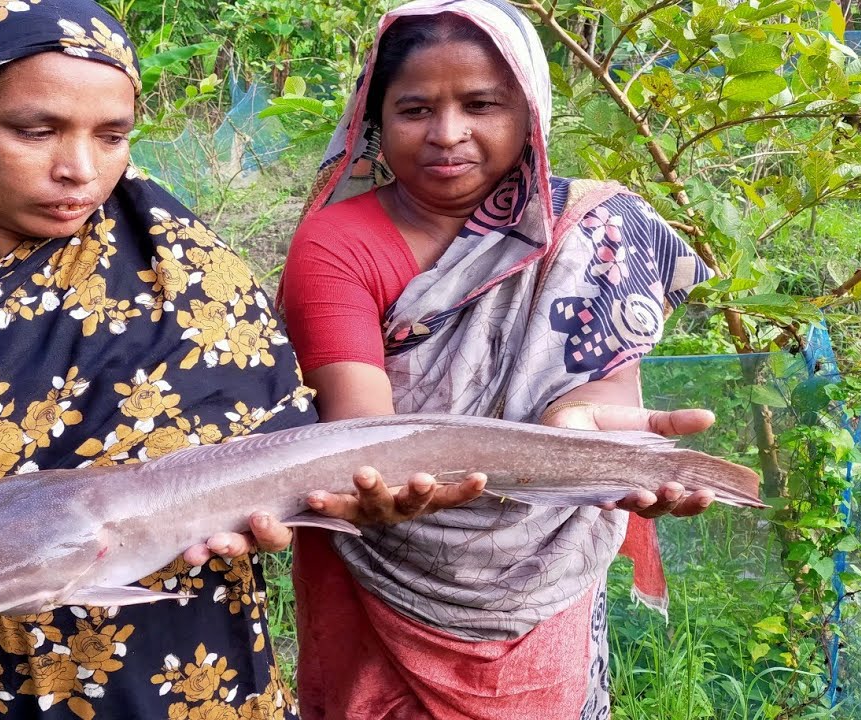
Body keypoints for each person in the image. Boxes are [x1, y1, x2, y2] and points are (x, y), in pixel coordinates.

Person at [0, 1, 451, 716]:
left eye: (113, 134)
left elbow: (293, 448)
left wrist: (322, 502)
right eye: (35, 131)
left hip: (200, 673)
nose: (80, 170)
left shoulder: (189, 271)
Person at [277, 1, 720, 718]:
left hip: (538, 572)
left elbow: (591, 400)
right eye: (415, 108)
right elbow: (361, 440)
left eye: (482, 104)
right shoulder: (337, 244)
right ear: (375, 119)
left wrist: (591, 442)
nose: (448, 134)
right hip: (377, 568)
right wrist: (383, 488)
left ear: (531, 112)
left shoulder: (599, 232)